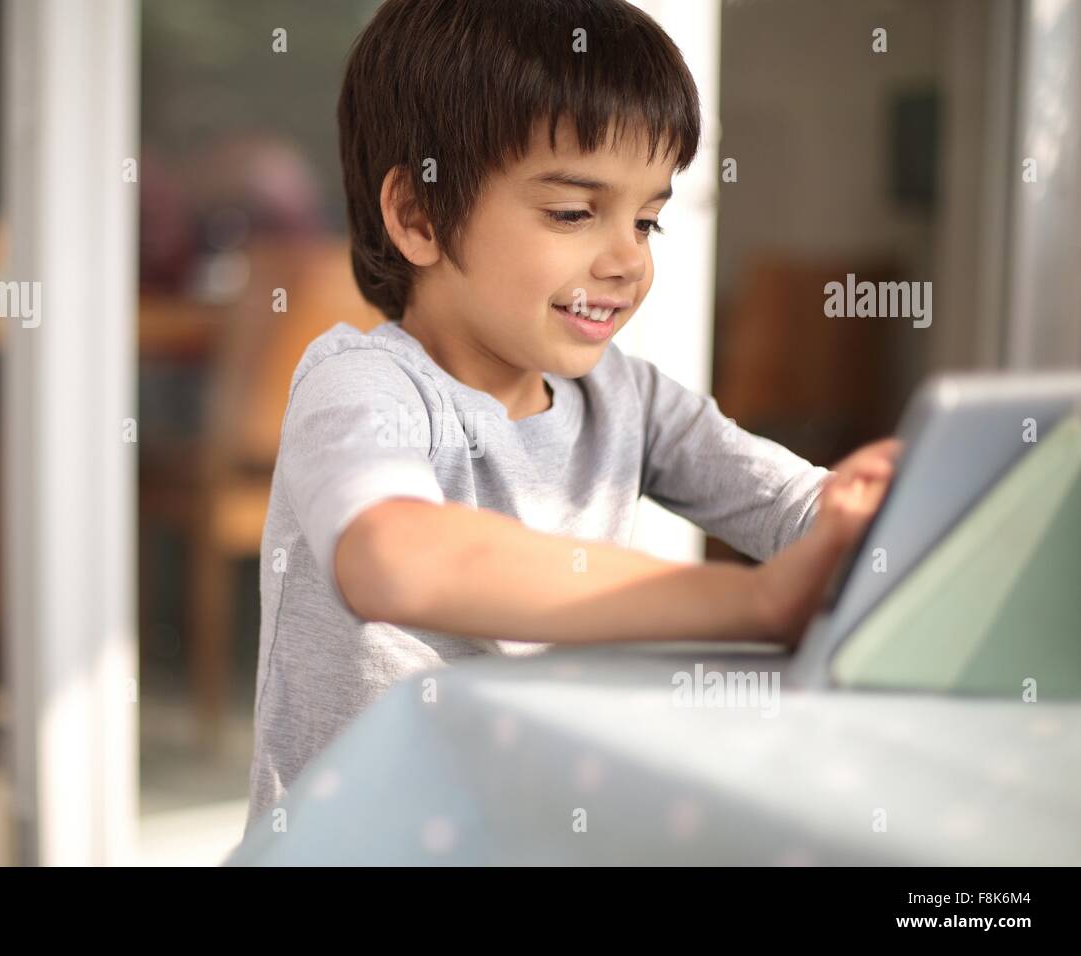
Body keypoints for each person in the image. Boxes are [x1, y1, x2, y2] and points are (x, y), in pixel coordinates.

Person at [246, 0, 898, 828]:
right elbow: (399, 559)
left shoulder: (628, 397)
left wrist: (867, 518)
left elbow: (792, 507)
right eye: (573, 213)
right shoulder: (364, 386)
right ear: (417, 215)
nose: (628, 258)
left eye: (648, 218)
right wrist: (754, 602)